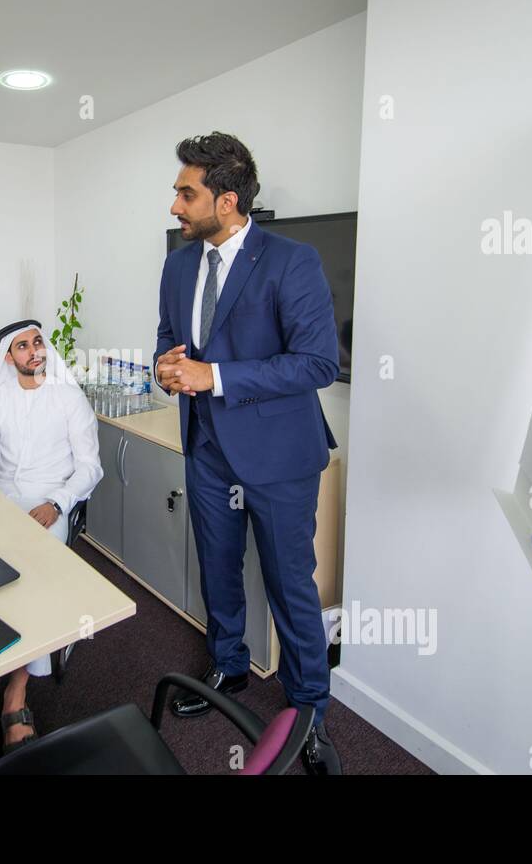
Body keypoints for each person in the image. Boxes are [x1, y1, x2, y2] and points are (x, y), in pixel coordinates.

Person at [155, 132, 343, 774]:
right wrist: (168, 366)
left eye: (187, 193)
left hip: (279, 455)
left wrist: (219, 377)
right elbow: (169, 338)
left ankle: (309, 711)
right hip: (206, 445)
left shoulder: (293, 261)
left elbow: (318, 362)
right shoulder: (178, 265)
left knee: (291, 584)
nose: (174, 205)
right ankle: (230, 667)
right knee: (218, 565)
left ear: (227, 200)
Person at [0, 319, 102, 750]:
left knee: (29, 579)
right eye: (23, 347)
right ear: (8, 358)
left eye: (38, 343)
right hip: (1, 493)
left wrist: (57, 503)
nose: (34, 352)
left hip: (49, 502)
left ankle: (15, 691)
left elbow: (91, 466)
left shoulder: (69, 398)